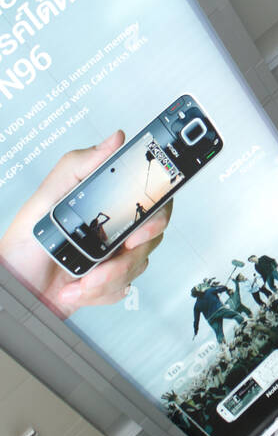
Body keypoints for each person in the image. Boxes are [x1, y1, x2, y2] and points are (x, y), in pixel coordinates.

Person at [0, 131, 173, 319]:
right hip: (91, 246)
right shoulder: (97, 225)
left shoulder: (96, 225)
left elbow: (103, 221)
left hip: (90, 246)